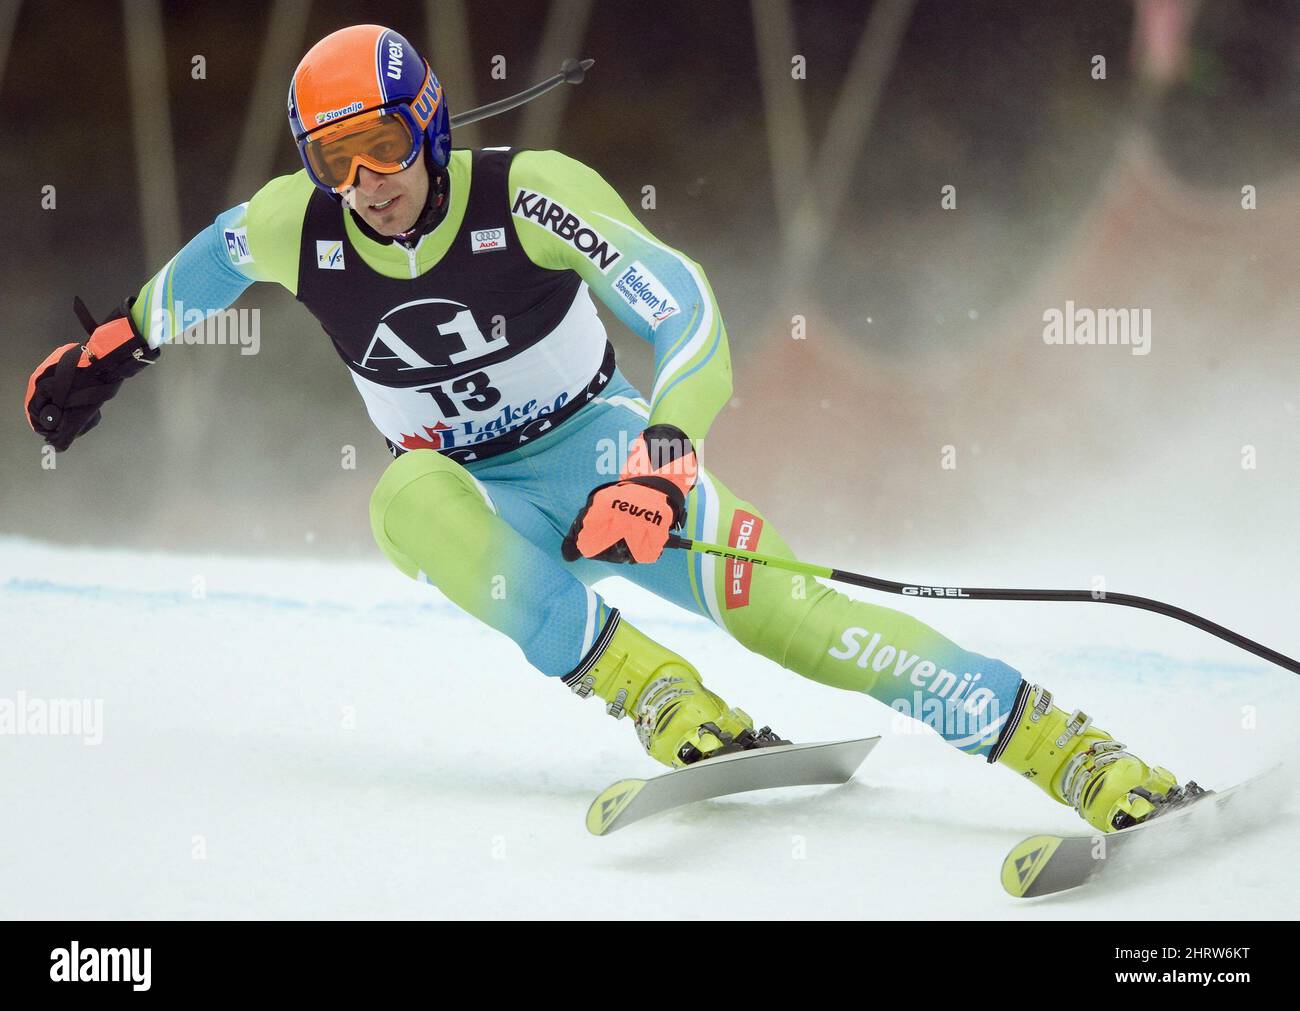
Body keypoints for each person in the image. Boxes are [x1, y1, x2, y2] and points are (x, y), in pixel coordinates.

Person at [24, 24, 1190, 833]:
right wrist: (115, 346)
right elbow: (209, 266)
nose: (366, 179)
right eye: (335, 158)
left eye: (382, 143)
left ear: (428, 124)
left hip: (606, 462)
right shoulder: (301, 224)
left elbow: (689, 315)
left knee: (794, 619)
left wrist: (659, 467)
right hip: (481, 505)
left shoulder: (529, 192)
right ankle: (658, 695)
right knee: (400, 499)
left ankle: (1072, 755)